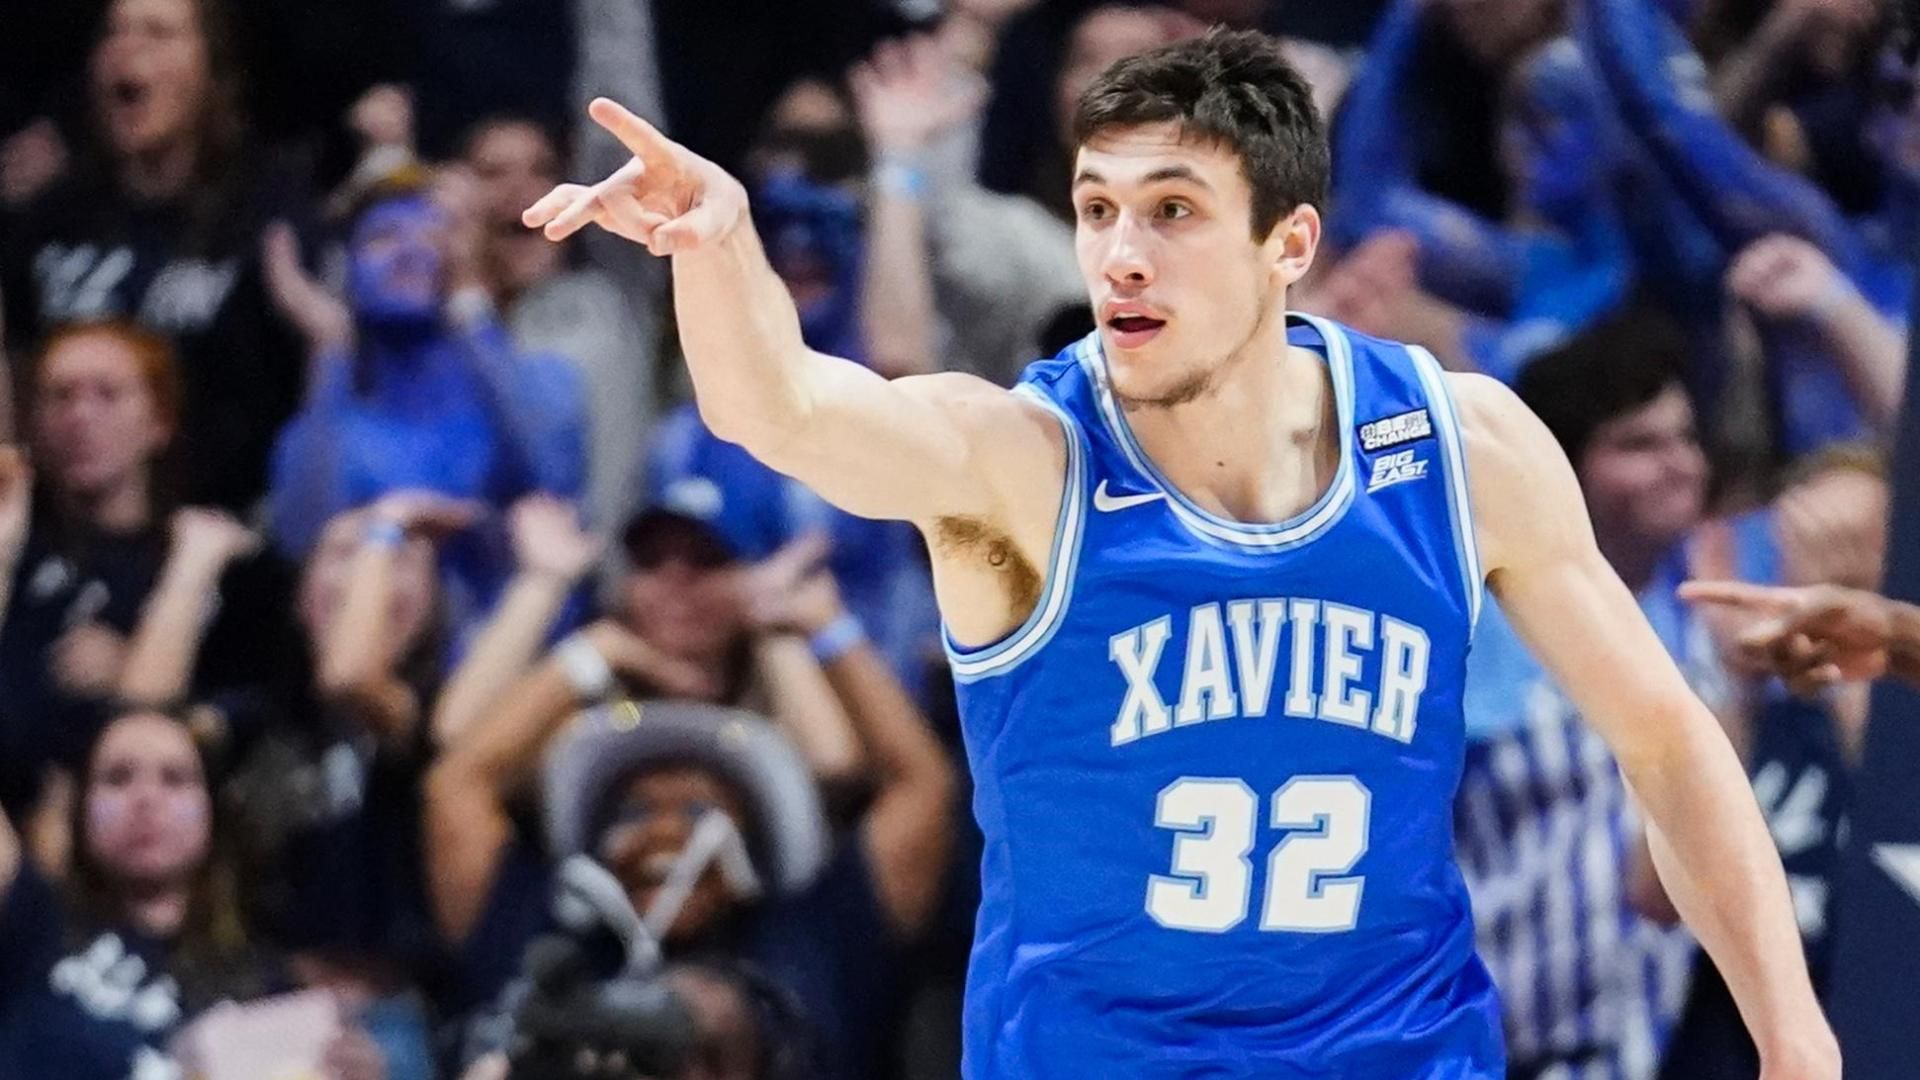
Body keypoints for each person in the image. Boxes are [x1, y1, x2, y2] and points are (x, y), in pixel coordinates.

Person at [526, 29, 1835, 1077]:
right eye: (1098, 209)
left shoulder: (1458, 445)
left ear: (1289, 245)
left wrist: (1794, 1035)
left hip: (1402, 1052)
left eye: (1172, 211)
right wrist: (721, 248)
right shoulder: (1023, 462)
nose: (1121, 256)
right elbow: (787, 410)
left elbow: (1663, 741)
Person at [0, 0, 313, 511]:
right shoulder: (53, 217)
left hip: (221, 527)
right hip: (66, 534)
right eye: (114, 33)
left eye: (158, 33)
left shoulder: (266, 209)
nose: (128, 49)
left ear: (211, 69)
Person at [0, 709, 386, 1080]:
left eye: (175, 779)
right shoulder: (32, 921)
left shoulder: (269, 991)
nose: (146, 798)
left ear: (211, 813)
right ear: (81, 809)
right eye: (117, 778)